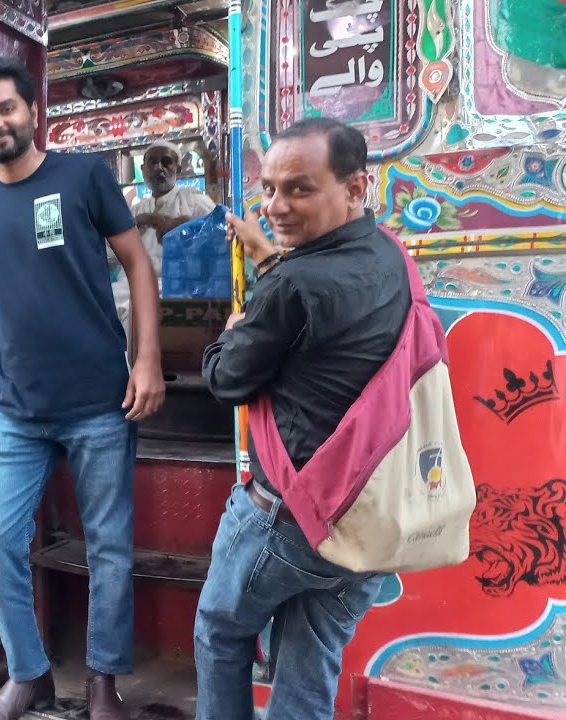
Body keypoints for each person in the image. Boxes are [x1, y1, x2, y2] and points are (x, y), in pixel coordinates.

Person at [0, 55, 165, 720]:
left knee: (109, 547)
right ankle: (28, 674)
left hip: (100, 401)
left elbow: (137, 263)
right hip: (18, 409)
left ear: (32, 113)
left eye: (5, 108)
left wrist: (146, 360)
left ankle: (102, 684)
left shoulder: (83, 175)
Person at [195, 118, 411, 720]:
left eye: (299, 189)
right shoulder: (388, 255)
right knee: (309, 658)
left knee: (220, 628)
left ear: (354, 187)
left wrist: (234, 329)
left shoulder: (292, 284)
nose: (276, 207)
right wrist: (268, 264)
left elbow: (224, 378)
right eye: (269, 189)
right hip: (369, 514)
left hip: (290, 517)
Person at [110, 141, 215, 357]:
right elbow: (110, 255)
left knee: (136, 308)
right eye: (152, 162)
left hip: (179, 286)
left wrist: (181, 225)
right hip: (129, 285)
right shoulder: (133, 211)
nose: (159, 168)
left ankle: (139, 372)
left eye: (166, 162)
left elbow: (217, 239)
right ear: (143, 170)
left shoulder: (195, 201)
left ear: (178, 168)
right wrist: (138, 224)